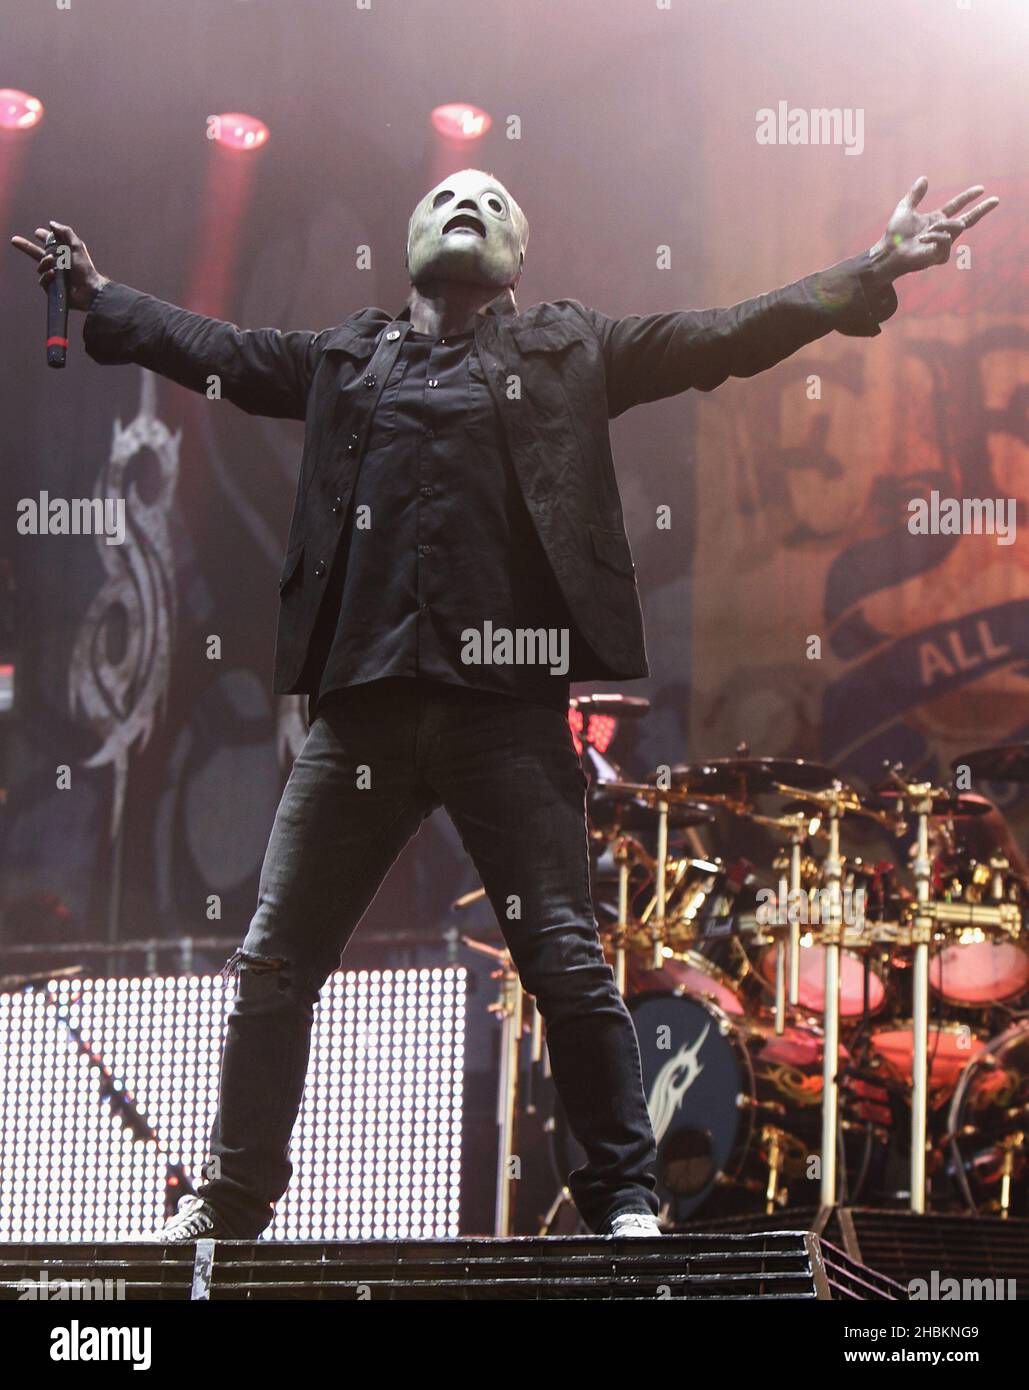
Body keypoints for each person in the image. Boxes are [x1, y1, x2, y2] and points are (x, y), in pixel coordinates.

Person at [11, 169, 997, 1240]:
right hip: (364, 716)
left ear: (520, 256)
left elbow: (723, 333)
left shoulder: (571, 350)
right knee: (273, 960)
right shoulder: (345, 359)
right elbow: (219, 351)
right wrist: (102, 295)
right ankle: (232, 1199)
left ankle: (625, 1198)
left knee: (566, 960)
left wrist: (869, 270)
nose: (466, 203)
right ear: (408, 242)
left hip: (508, 715)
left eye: (491, 199)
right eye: (445, 198)